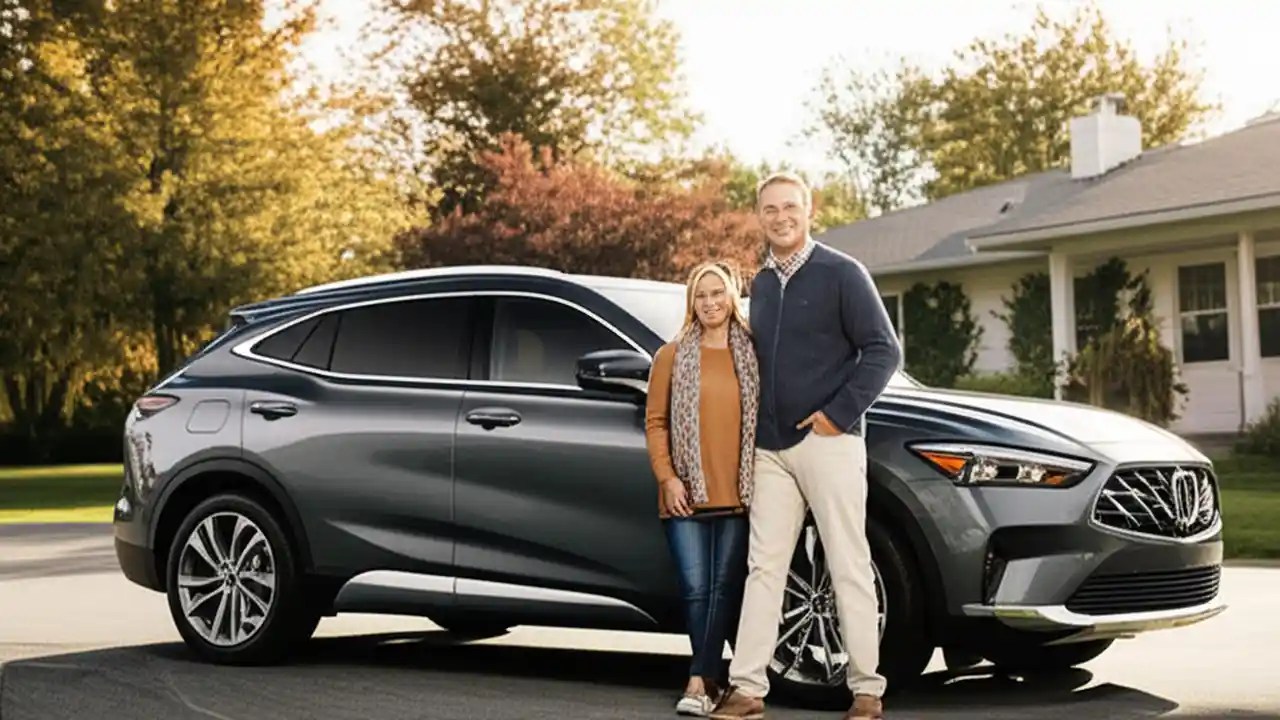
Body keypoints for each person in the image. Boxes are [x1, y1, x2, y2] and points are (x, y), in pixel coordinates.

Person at [710, 172, 902, 720]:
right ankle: (747, 689)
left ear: (809, 210)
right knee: (764, 568)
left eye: (790, 206)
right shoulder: (762, 285)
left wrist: (837, 416)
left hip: (830, 444)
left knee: (848, 563)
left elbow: (883, 352)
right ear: (759, 215)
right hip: (770, 451)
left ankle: (867, 690)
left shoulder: (843, 273)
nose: (780, 217)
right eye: (769, 209)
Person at [645, 260, 761, 717]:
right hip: (684, 493)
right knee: (695, 588)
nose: (710, 302)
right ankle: (706, 677)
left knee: (725, 587)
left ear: (733, 296)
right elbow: (655, 423)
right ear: (691, 302)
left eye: (718, 293)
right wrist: (668, 477)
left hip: (740, 494)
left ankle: (701, 680)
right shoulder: (671, 355)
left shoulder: (753, 352)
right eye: (701, 295)